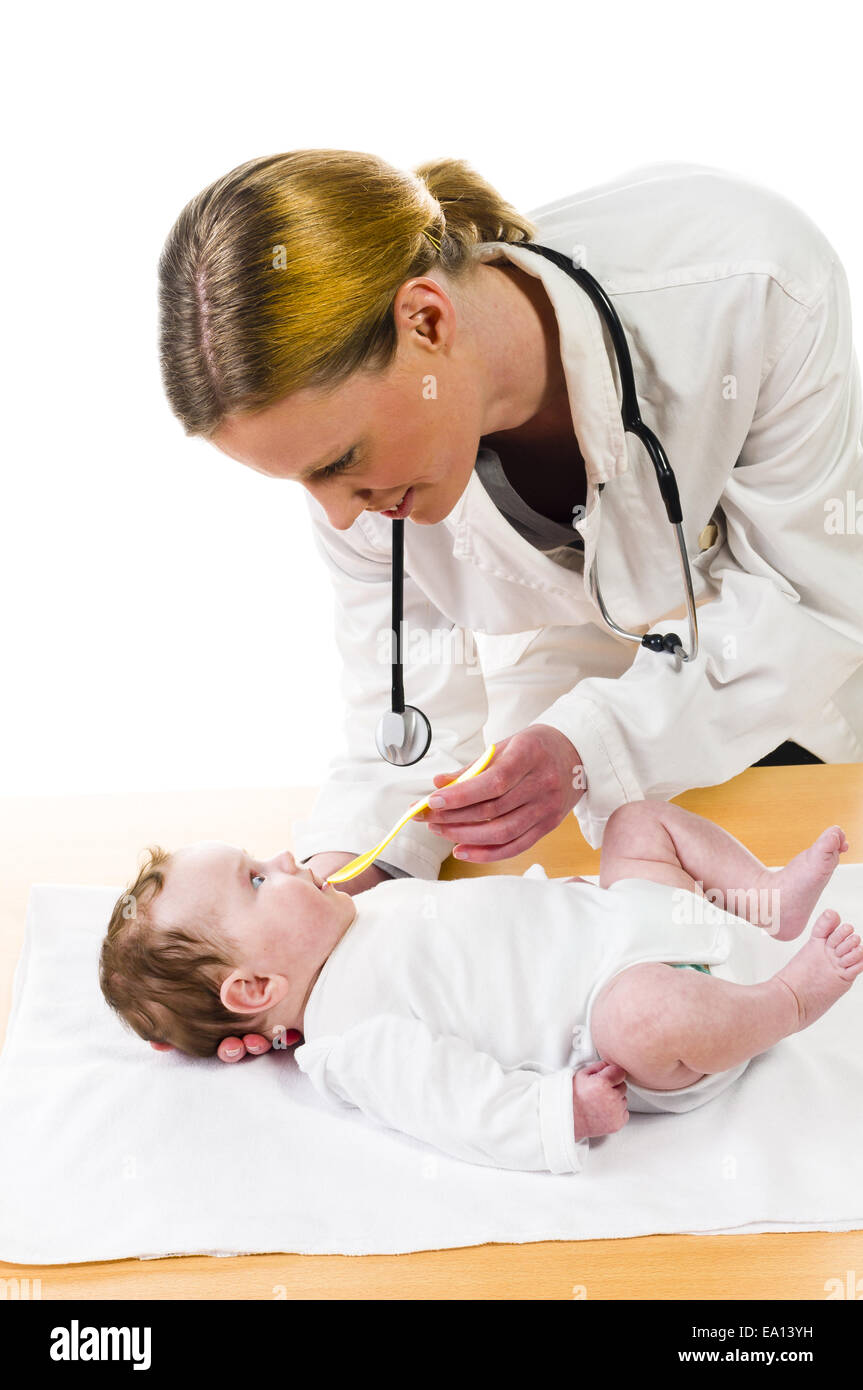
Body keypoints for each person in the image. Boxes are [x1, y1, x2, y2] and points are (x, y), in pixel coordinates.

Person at [157, 150, 863, 1062]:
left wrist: (591, 748)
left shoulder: (748, 279)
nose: (336, 514)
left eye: (337, 463)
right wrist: (331, 892)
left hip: (785, 676)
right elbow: (403, 718)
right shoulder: (364, 474)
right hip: (573, 702)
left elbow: (810, 600)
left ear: (426, 319)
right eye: (303, 483)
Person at [101, 800, 861, 1172]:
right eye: (259, 879)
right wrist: (556, 1112)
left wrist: (558, 901)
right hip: (626, 998)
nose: (288, 857)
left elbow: (489, 929)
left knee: (634, 823)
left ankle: (762, 896)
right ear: (256, 987)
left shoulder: (360, 912)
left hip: (625, 916)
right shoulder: (349, 1035)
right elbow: (453, 1103)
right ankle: (785, 1003)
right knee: (647, 1018)